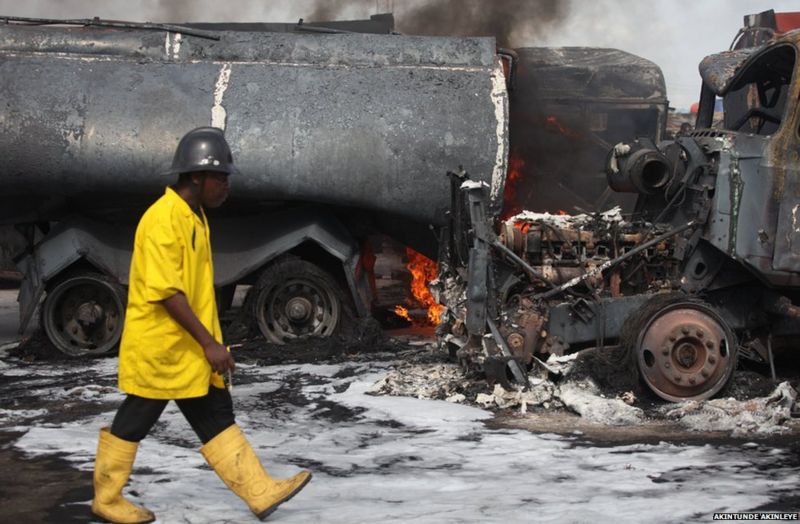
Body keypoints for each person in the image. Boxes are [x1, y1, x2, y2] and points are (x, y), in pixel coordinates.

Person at [91, 127, 311, 524]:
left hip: (185, 349)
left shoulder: (193, 216)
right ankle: (106, 498)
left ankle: (259, 490)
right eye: (221, 177)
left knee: (215, 413)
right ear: (196, 176)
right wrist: (210, 343)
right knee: (137, 417)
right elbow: (168, 292)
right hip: (161, 347)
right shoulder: (163, 220)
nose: (226, 186)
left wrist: (210, 344)